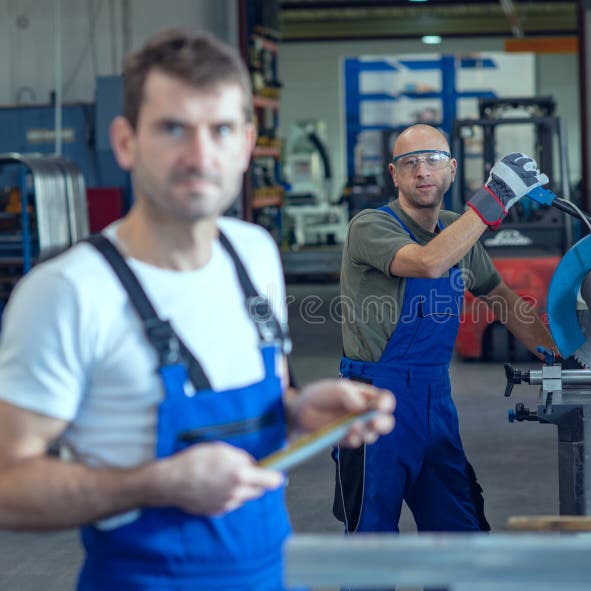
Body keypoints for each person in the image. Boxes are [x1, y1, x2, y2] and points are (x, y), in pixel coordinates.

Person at [0, 28, 395, 590]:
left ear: (246, 144)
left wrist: (300, 410)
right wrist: (155, 483)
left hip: (272, 574)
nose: (199, 155)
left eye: (221, 129)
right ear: (125, 141)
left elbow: (260, 402)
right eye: (172, 129)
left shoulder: (252, 254)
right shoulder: (67, 292)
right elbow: (7, 487)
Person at [333, 124, 558, 534]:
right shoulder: (370, 226)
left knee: (460, 536)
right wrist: (495, 199)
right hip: (373, 402)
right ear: (394, 174)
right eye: (410, 162)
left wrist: (561, 359)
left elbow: (503, 301)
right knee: (371, 543)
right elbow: (427, 262)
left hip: (436, 401)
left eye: (433, 159)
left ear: (452, 169)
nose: (423, 171)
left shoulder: (459, 230)